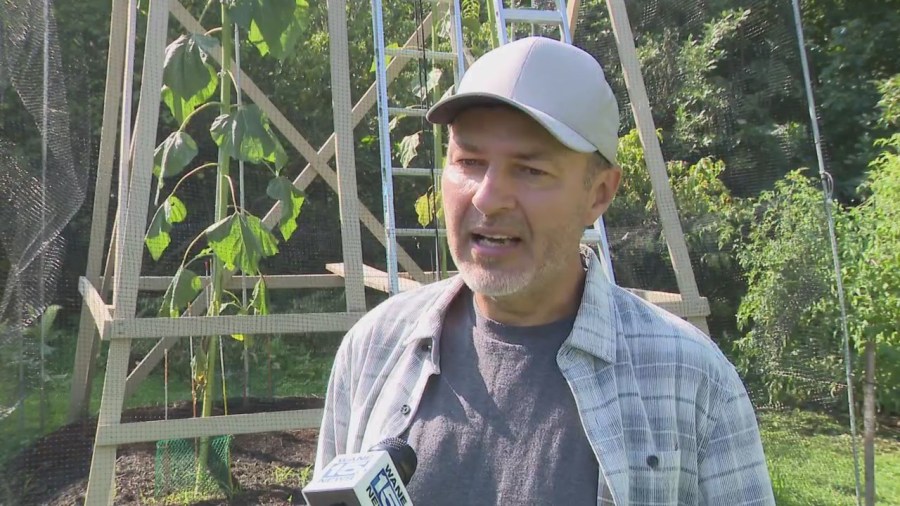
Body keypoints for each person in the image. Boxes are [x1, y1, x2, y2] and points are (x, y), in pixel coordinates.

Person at [314, 36, 775, 505]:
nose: (488, 198)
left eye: (530, 170)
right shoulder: (374, 348)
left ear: (598, 193)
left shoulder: (690, 380)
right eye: (469, 162)